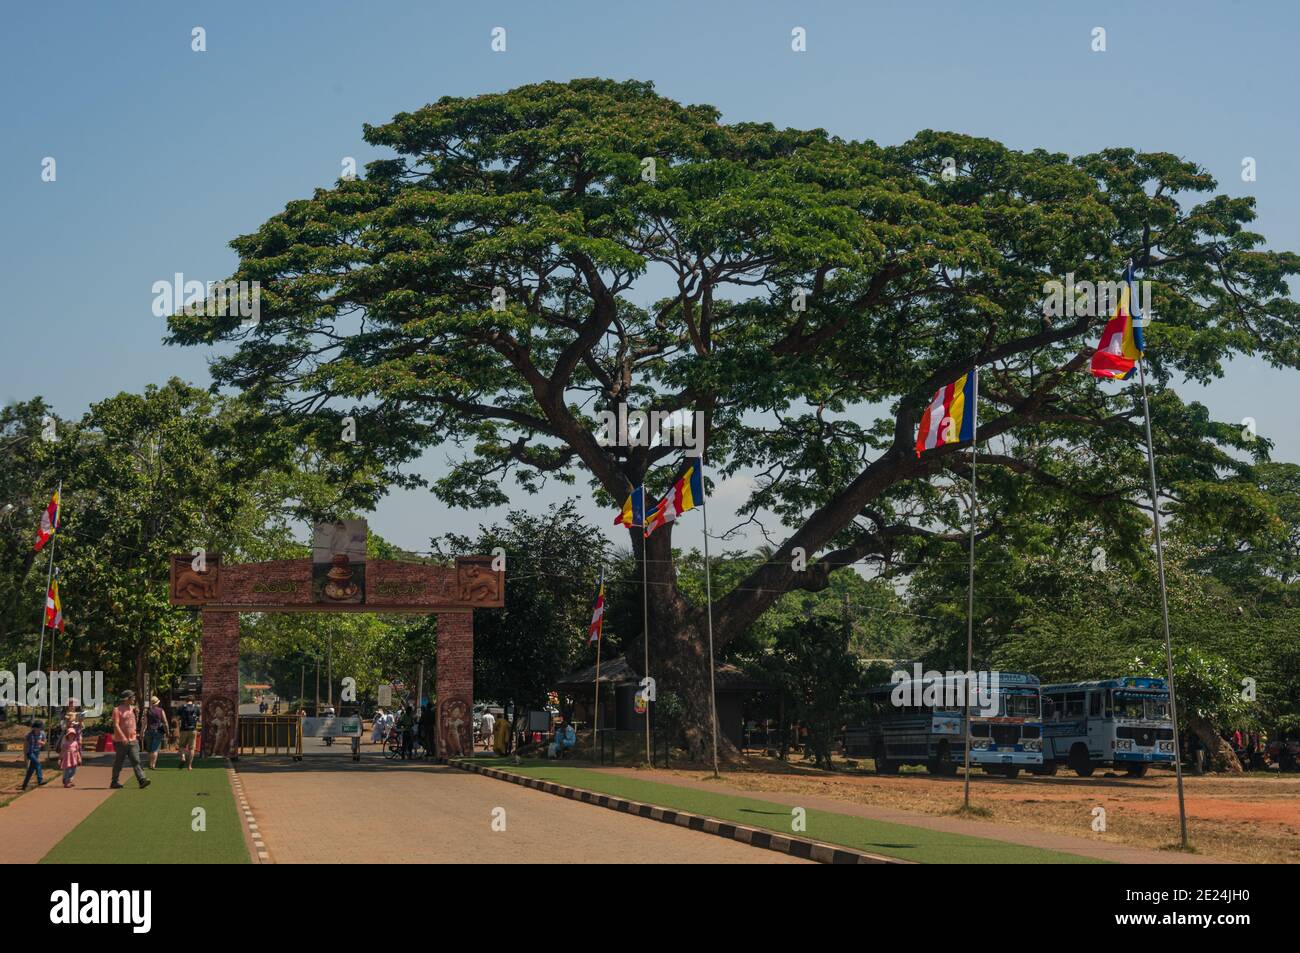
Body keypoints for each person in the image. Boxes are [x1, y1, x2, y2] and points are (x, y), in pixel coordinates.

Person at [110, 690, 151, 789]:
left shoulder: (133, 709)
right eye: (132, 697)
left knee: (136, 760)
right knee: (118, 763)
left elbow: (135, 722)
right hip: (121, 741)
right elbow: (115, 725)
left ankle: (142, 780)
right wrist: (123, 737)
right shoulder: (117, 710)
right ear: (126, 699)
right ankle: (114, 782)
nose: (134, 699)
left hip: (133, 740)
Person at [144, 695, 170, 770]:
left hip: (148, 731)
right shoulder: (161, 710)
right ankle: (153, 765)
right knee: (155, 749)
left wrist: (142, 732)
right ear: (157, 703)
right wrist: (167, 732)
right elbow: (165, 722)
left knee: (149, 749)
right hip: (158, 731)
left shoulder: (147, 711)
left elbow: (144, 723)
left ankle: (149, 764)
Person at [176, 696, 200, 770]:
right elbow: (198, 719)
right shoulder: (196, 708)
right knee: (191, 748)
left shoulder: (182, 707)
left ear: (186, 700)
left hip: (184, 729)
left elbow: (178, 718)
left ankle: (183, 757)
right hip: (193, 729)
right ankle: (189, 766)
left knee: (182, 746)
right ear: (193, 700)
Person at [22, 720, 47, 789]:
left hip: (36, 752)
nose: (40, 729)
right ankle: (40, 780)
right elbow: (25, 745)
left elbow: (45, 741)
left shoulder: (42, 734)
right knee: (38, 764)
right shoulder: (29, 735)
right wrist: (25, 757)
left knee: (31, 770)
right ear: (35, 728)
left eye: (41, 728)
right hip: (30, 752)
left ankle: (24, 785)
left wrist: (42, 743)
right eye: (39, 728)